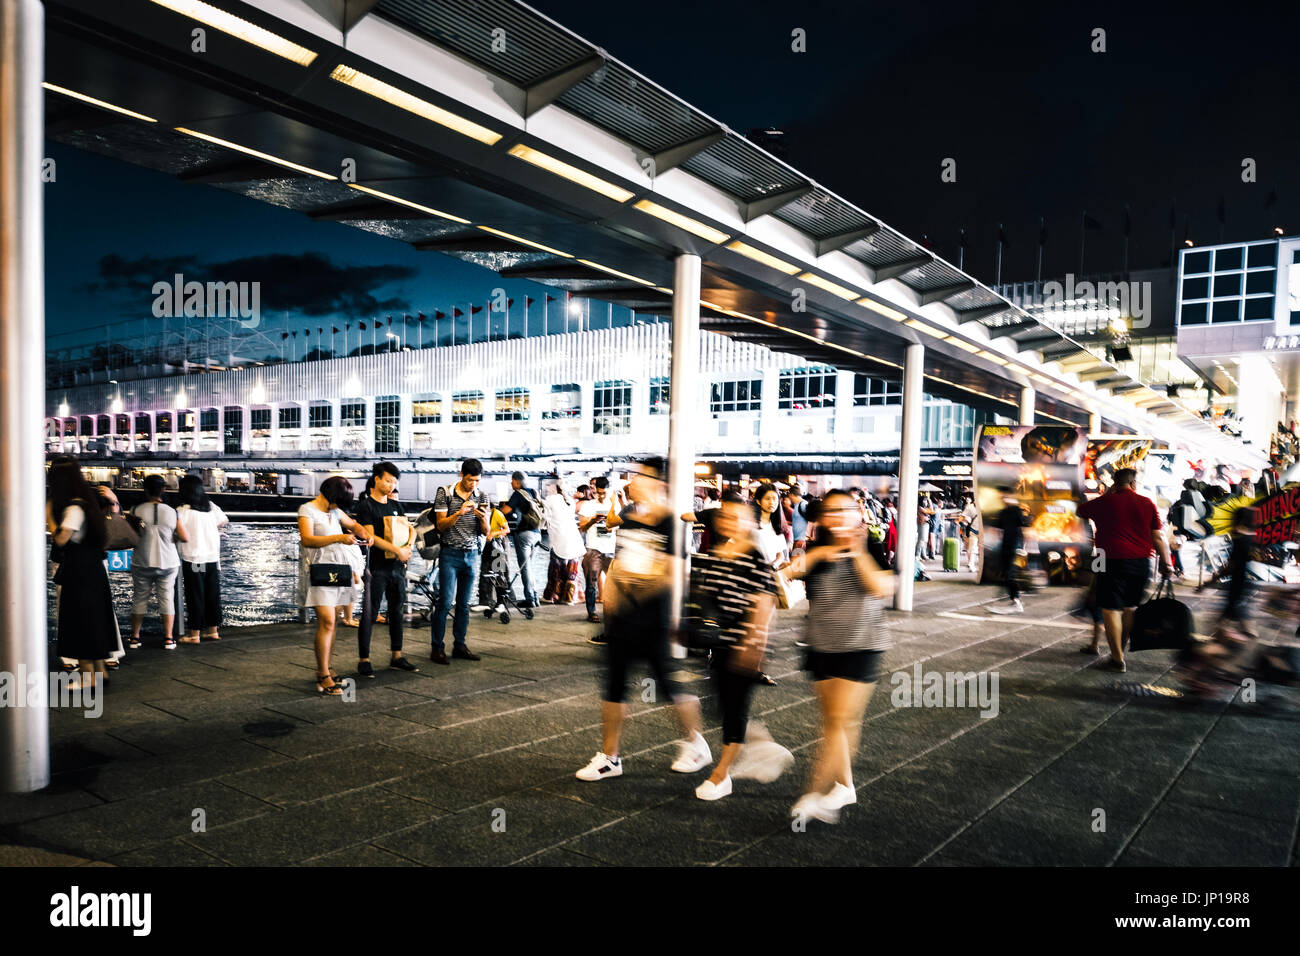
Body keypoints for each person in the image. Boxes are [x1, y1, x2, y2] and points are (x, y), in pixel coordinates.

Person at [575, 457, 709, 782]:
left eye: (641, 477)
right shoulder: (630, 516)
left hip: (653, 618)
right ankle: (610, 757)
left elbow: (673, 574)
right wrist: (614, 597)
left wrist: (638, 588)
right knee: (614, 686)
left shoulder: (669, 524)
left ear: (659, 484)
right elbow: (621, 562)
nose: (634, 481)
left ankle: (696, 743)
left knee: (669, 686)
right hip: (623, 618)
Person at [784, 489, 895, 823]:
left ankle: (815, 792)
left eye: (844, 510)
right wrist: (821, 555)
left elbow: (880, 588)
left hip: (862, 644)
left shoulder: (872, 544)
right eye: (830, 511)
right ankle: (845, 785)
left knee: (841, 722)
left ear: (858, 512)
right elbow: (789, 574)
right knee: (833, 723)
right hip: (821, 644)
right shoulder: (817, 548)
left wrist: (856, 550)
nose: (837, 516)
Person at [690, 492, 782, 800]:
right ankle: (761, 745)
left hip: (743, 646)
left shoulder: (755, 559)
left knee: (733, 711)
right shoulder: (720, 551)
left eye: (735, 517)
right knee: (721, 707)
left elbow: (765, 603)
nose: (727, 521)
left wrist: (754, 645)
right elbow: (705, 593)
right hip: (719, 644)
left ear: (750, 523)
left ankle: (721, 775)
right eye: (723, 516)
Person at [1076, 468, 1173, 672]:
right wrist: (1166, 563)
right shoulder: (1147, 503)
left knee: (1109, 607)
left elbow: (1080, 511)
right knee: (1130, 607)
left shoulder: (1104, 502)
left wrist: (1108, 494)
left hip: (1107, 559)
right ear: (1134, 483)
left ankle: (1117, 658)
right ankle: (1120, 646)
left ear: (1114, 483)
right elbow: (1157, 536)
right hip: (1141, 562)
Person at [47, 462, 118, 693]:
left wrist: (48, 516)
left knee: (80, 621)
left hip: (79, 572)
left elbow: (60, 539)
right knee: (94, 619)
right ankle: (100, 672)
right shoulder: (87, 505)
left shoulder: (74, 509)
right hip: (92, 570)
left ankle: (89, 677)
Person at [298, 476, 369, 695]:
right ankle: (322, 673)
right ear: (330, 496)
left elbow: (354, 524)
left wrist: (364, 533)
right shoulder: (307, 510)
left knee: (333, 621)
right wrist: (339, 537)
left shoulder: (335, 511)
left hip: (338, 570)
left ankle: (327, 667)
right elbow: (307, 539)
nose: (339, 507)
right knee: (327, 621)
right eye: (338, 501)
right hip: (319, 572)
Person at [354, 462, 418, 678]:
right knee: (370, 613)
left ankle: (397, 656)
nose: (392, 486)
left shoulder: (396, 506)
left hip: (397, 568)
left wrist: (408, 547)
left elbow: (411, 529)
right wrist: (396, 550)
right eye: (388, 480)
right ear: (376, 479)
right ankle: (364, 659)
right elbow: (371, 537)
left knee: (397, 612)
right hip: (377, 568)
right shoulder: (366, 506)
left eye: (394, 482)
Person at [430, 458, 489, 665]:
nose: (474, 485)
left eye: (477, 480)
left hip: (472, 554)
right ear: (461, 475)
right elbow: (440, 525)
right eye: (470, 480)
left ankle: (460, 645)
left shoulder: (482, 496)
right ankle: (437, 648)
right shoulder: (444, 492)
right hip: (450, 554)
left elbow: (486, 532)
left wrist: (482, 518)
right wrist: (459, 513)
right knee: (445, 601)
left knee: (464, 604)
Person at [128, 474, 188, 650]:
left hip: (142, 560)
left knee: (139, 597)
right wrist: (172, 535)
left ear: (145, 489)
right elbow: (184, 537)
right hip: (168, 561)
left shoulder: (134, 510)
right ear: (163, 489)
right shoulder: (172, 511)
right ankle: (169, 638)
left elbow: (131, 534)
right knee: (167, 598)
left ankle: (134, 638)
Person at [175, 475, 229, 643]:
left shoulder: (182, 511)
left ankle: (194, 634)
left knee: (195, 595)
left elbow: (177, 531)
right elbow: (224, 520)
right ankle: (213, 631)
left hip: (194, 559)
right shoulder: (210, 507)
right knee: (212, 594)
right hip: (212, 558)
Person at [501, 471, 543, 608]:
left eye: (512, 481)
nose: (511, 484)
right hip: (537, 533)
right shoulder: (534, 492)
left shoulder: (518, 494)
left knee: (525, 568)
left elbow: (506, 511)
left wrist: (497, 510)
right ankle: (535, 597)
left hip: (524, 534)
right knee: (531, 567)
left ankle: (530, 599)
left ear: (517, 482)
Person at [578, 476, 616, 623]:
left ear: (609, 490)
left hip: (611, 548)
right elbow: (582, 527)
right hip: (593, 548)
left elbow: (619, 525)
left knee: (614, 584)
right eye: (598, 493)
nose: (600, 496)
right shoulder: (588, 506)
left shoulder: (614, 505)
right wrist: (592, 520)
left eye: (603, 493)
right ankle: (592, 612)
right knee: (591, 582)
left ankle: (612, 612)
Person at [987, 488, 1030, 615]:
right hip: (1005, 546)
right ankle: (1015, 600)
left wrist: (1023, 547)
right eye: (1002, 496)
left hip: (1014, 546)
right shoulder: (1003, 512)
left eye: (1005, 496)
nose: (1003, 498)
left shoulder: (1016, 510)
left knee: (1009, 574)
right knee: (1006, 573)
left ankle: (1016, 601)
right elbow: (997, 530)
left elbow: (1024, 528)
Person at [543, 480, 585, 605]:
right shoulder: (570, 501)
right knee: (572, 571)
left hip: (559, 540)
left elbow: (543, 515)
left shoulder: (550, 499)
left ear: (554, 488)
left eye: (548, 487)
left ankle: (551, 596)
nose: (547, 490)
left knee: (555, 571)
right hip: (574, 540)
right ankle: (569, 598)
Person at [960, 494, 981, 573]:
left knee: (974, 548)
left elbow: (962, 517)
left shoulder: (970, 507)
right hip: (973, 530)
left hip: (978, 530)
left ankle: (973, 564)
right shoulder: (969, 507)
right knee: (973, 548)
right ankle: (971, 564)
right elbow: (962, 517)